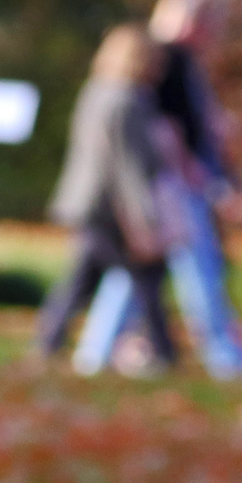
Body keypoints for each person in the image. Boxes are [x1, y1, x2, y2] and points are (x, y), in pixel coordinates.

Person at [71, 0, 242, 380]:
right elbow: (165, 131)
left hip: (173, 185)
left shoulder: (178, 59)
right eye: (209, 23)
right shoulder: (164, 59)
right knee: (197, 269)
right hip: (173, 187)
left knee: (135, 274)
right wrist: (204, 178)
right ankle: (223, 355)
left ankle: (95, 353)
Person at [35, 23, 179, 373]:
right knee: (146, 275)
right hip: (112, 208)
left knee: (82, 281)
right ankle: (163, 353)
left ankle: (48, 345)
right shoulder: (128, 100)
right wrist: (145, 220)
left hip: (87, 202)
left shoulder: (96, 92)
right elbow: (127, 168)